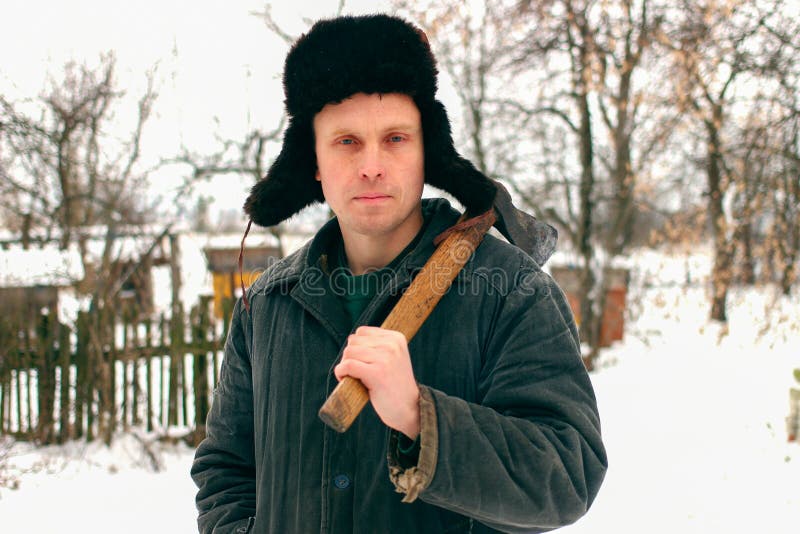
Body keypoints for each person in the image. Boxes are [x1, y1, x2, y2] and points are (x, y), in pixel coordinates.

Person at [191, 14, 606, 534]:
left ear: (426, 151)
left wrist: (418, 416)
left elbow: (567, 475)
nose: (371, 166)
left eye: (394, 139)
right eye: (346, 141)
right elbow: (225, 470)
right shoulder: (268, 306)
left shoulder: (511, 292)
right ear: (314, 161)